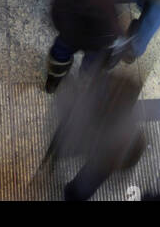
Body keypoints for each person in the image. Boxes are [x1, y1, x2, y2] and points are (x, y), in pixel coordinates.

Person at [45, 64, 145, 202]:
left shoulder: (120, 129)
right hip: (101, 158)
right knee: (86, 183)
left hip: (100, 155)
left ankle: (72, 193)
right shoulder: (125, 126)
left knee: (85, 183)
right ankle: (72, 194)